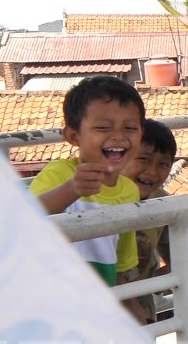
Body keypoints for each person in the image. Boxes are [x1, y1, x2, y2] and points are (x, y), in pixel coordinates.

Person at [29, 76, 147, 323]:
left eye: (130, 128)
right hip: (51, 307)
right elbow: (24, 218)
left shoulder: (130, 191)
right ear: (73, 136)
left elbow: (121, 264)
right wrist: (72, 189)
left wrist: (131, 305)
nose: (118, 137)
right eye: (103, 128)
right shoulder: (60, 174)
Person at [118, 119, 177, 324]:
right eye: (143, 159)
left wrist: (161, 278)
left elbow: (177, 260)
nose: (152, 171)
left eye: (163, 164)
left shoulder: (163, 203)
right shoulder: (100, 200)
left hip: (142, 307)